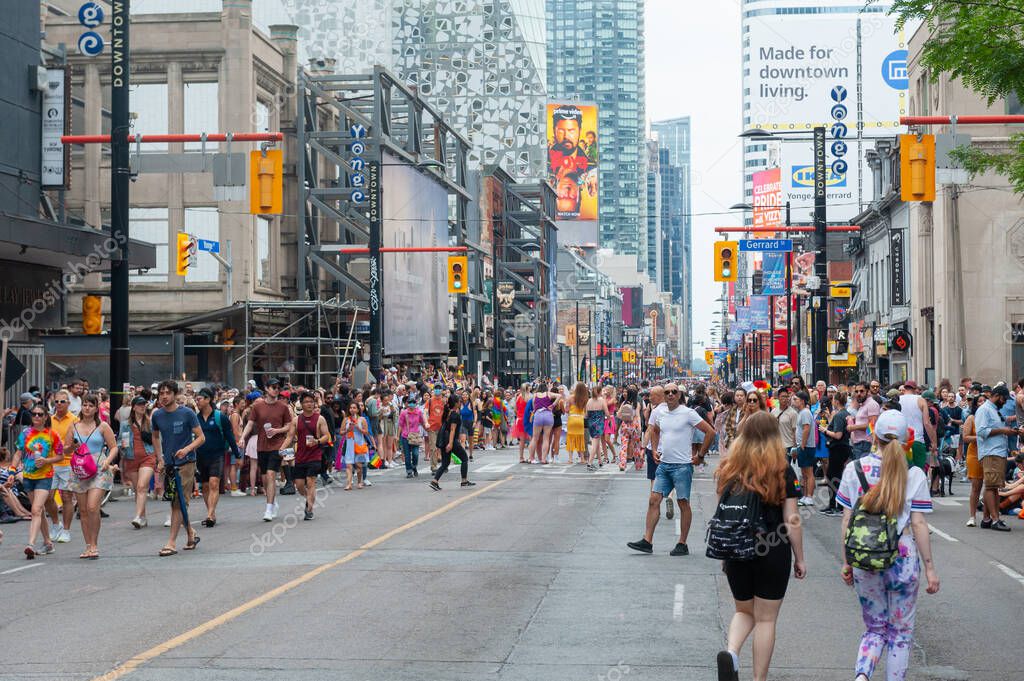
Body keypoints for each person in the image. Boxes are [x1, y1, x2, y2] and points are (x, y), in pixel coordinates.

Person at [837, 409, 940, 681]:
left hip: (865, 556)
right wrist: (930, 568)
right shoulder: (914, 474)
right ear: (907, 440)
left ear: (874, 435)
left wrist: (847, 561)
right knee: (900, 634)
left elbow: (847, 520)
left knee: (874, 628)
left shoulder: (853, 469)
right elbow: (918, 524)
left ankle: (862, 676)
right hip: (902, 557)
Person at [715, 412, 806, 681]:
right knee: (766, 619)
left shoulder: (729, 468)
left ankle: (732, 653)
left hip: (737, 547)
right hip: (772, 548)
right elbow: (792, 518)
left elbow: (723, 513)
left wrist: (725, 553)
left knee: (743, 611)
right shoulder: (782, 469)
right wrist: (800, 558)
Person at [627, 383, 715, 556]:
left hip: (682, 466)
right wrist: (654, 449)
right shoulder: (660, 412)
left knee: (683, 503)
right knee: (653, 500)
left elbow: (710, 432)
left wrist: (700, 455)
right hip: (664, 465)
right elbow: (655, 430)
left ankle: (682, 543)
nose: (670, 395)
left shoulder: (688, 413)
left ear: (679, 394)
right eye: (667, 392)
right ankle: (647, 541)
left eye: (674, 392)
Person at [152, 381, 204, 556]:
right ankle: (191, 533)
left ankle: (171, 542)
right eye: (161, 393)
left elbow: (201, 437)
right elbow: (155, 437)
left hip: (186, 463)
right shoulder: (157, 415)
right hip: (169, 465)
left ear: (175, 394)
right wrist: (160, 458)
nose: (164, 396)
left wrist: (187, 449)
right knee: (176, 502)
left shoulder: (187, 413)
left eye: (168, 393)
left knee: (178, 503)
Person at [68, 394, 119, 559]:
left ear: (96, 408)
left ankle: (95, 544)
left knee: (92, 507)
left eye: (91, 405)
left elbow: (114, 447)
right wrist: (72, 446)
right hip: (80, 469)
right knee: (83, 510)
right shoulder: (73, 426)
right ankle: (88, 545)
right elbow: (65, 450)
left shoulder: (103, 426)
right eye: (84, 405)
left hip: (99, 467)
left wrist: (108, 461)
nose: (87, 408)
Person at [12, 407, 64, 558]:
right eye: (34, 414)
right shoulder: (25, 433)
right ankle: (48, 543)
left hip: (45, 477)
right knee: (38, 512)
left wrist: (46, 460)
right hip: (28, 477)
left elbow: (60, 456)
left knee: (36, 509)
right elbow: (18, 453)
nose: (36, 416)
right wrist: (12, 470)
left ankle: (30, 544)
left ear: (45, 417)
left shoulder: (52, 434)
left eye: (40, 414)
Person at [240, 378, 294, 522]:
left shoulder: (283, 407)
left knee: (271, 474)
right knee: (265, 478)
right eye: (273, 387)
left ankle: (268, 509)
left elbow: (289, 426)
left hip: (277, 445)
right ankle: (273, 501)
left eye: (278, 387)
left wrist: (277, 430)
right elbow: (250, 424)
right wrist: (242, 437)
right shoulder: (258, 406)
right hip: (262, 445)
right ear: (266, 388)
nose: (276, 390)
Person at [974, 384, 1019, 531]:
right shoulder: (984, 409)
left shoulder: (994, 410)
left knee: (993, 486)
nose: (1005, 402)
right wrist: (1003, 430)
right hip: (991, 452)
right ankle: (995, 519)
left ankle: (987, 519)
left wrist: (1010, 430)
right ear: (997, 396)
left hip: (998, 452)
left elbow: (998, 427)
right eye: (1004, 399)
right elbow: (981, 431)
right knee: (991, 487)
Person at [194, 388, 240, 528]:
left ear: (208, 399)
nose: (197, 401)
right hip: (201, 456)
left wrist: (237, 454)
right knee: (205, 486)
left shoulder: (220, 417)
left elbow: (230, 436)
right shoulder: (195, 418)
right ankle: (212, 513)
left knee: (214, 483)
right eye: (196, 399)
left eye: (199, 399)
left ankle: (209, 515)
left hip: (217, 455)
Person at [119, 396, 157, 528]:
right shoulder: (125, 424)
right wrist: (122, 446)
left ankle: (137, 516)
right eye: (140, 404)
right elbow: (120, 440)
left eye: (144, 404)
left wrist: (160, 457)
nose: (142, 406)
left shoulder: (150, 422)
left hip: (148, 457)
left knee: (141, 486)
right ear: (134, 407)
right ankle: (143, 517)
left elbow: (158, 440)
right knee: (138, 489)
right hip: (131, 458)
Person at [47, 389, 78, 543]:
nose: (59, 404)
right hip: (50, 463)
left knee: (67, 497)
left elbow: (76, 443)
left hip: (68, 463)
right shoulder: (49, 419)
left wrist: (69, 448)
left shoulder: (75, 420)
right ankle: (55, 524)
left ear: (68, 403)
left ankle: (66, 530)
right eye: (56, 401)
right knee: (48, 497)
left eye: (62, 401)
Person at [294, 392, 329, 519]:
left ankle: (309, 510)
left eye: (311, 402)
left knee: (311, 481)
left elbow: (327, 436)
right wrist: (281, 449)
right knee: (299, 485)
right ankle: (309, 497)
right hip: (300, 456)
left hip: (315, 455)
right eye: (306, 402)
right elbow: (290, 436)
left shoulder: (320, 418)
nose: (309, 404)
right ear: (301, 404)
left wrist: (317, 441)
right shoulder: (296, 420)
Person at [431, 394, 474, 491]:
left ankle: (435, 481)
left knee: (445, 463)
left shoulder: (447, 412)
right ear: (455, 403)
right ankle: (464, 480)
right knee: (464, 458)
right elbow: (452, 429)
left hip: (444, 439)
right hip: (451, 440)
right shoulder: (454, 415)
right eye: (459, 401)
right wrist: (450, 443)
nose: (460, 402)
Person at [820, 392, 852, 516]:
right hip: (843, 447)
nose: (832, 401)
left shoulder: (839, 415)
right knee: (836, 476)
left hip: (838, 448)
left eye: (833, 399)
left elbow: (838, 435)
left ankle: (835, 506)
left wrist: (825, 430)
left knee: (833, 477)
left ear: (837, 401)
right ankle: (836, 505)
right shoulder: (846, 413)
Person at [898, 382, 935, 470]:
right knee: (919, 471)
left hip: (901, 441)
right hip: (917, 440)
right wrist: (933, 442)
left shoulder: (898, 400)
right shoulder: (921, 400)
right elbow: (927, 423)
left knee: (903, 471)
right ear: (915, 390)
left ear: (905, 389)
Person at [962, 395, 984, 527]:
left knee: (991, 487)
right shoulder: (971, 418)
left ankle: (988, 516)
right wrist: (981, 437)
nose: (982, 403)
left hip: (989, 453)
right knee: (976, 487)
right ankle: (972, 516)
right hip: (974, 454)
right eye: (980, 401)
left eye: (985, 400)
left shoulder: (992, 416)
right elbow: (965, 437)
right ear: (975, 405)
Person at [791, 391, 817, 507]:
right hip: (802, 446)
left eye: (795, 399)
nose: (793, 401)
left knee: (809, 472)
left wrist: (802, 445)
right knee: (804, 473)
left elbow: (806, 428)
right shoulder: (802, 412)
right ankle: (805, 496)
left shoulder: (805, 412)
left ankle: (809, 497)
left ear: (802, 401)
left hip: (807, 447)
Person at [340, 401, 370, 490]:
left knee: (359, 465)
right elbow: (341, 432)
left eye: (354, 408)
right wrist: (348, 430)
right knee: (349, 465)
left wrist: (358, 428)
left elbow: (366, 432)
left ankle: (359, 482)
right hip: (349, 444)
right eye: (350, 408)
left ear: (357, 410)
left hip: (359, 444)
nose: (352, 410)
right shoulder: (346, 419)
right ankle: (349, 484)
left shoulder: (362, 419)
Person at [847, 382, 880, 460]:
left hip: (866, 443)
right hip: (860, 443)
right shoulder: (863, 404)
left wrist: (853, 427)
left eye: (862, 391)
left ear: (868, 392)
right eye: (857, 391)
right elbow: (865, 421)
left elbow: (872, 426)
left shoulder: (871, 404)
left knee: (862, 467)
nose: (858, 394)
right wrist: (854, 419)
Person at [399, 395, 426, 478]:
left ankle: (414, 466)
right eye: (410, 402)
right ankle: (409, 471)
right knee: (407, 455)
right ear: (407, 403)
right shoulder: (404, 413)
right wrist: (397, 436)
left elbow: (422, 422)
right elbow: (400, 425)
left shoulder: (419, 412)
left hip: (415, 436)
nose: (411, 404)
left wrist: (427, 429)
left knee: (415, 454)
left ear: (416, 403)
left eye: (413, 402)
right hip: (405, 436)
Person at [585, 385, 609, 470]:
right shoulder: (602, 400)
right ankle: (590, 463)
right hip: (599, 423)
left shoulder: (589, 401)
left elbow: (586, 415)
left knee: (597, 442)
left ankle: (600, 461)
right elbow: (607, 413)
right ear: (599, 392)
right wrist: (608, 418)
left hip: (590, 423)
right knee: (595, 444)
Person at [566, 382, 588, 464]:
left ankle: (570, 459)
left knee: (571, 438)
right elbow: (585, 412)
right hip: (580, 420)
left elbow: (567, 410)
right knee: (580, 439)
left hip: (572, 419)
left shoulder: (570, 398)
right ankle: (582, 458)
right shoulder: (585, 399)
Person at [512, 384, 532, 463]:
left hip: (519, 419)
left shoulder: (518, 397)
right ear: (528, 388)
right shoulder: (529, 396)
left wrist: (519, 415)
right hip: (528, 419)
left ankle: (521, 457)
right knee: (531, 438)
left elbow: (515, 409)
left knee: (522, 440)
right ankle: (531, 457)